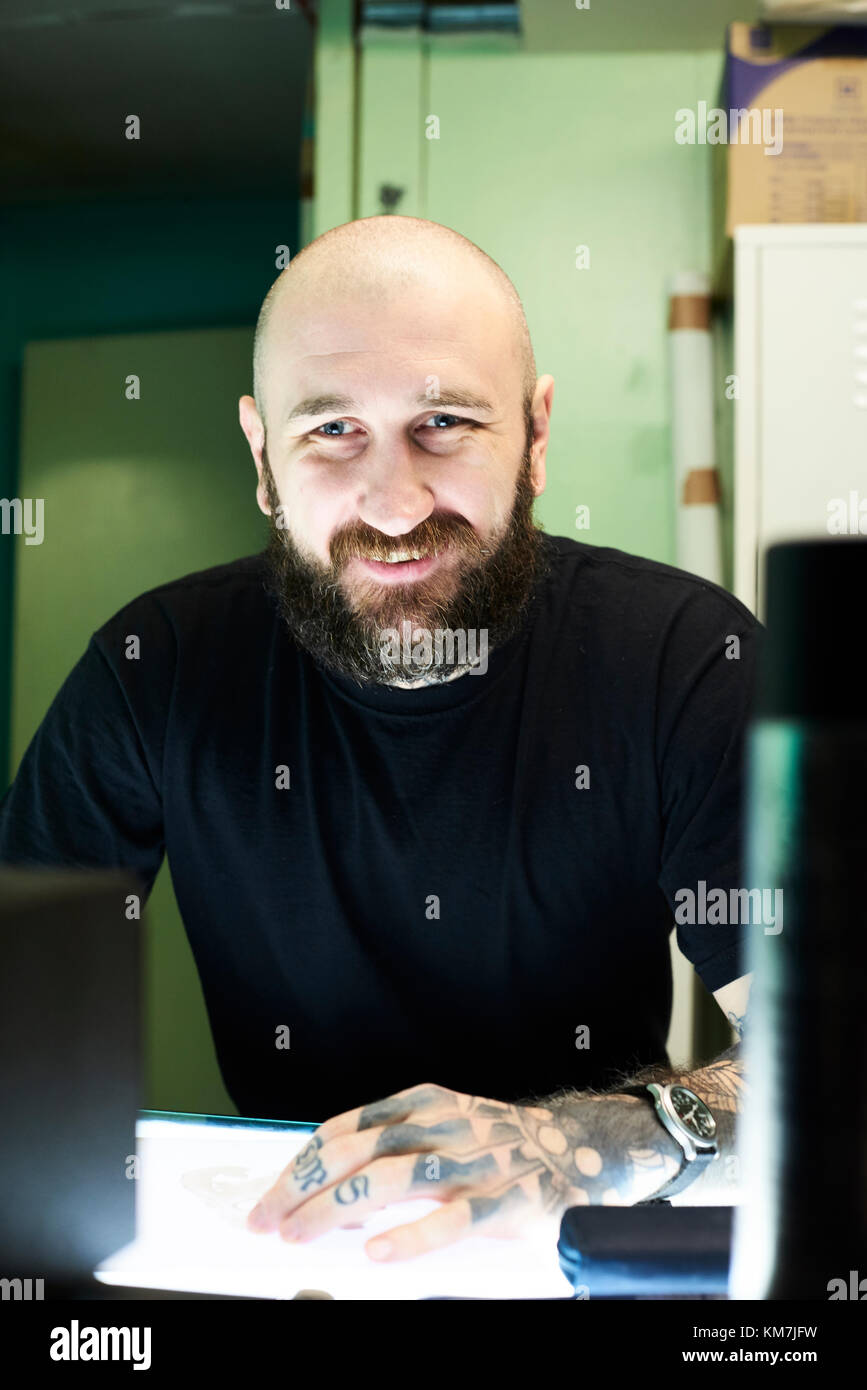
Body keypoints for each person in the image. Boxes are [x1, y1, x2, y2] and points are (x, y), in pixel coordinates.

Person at [0, 216, 756, 1263]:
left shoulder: (684, 657)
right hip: (286, 1245)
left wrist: (582, 1140)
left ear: (537, 437)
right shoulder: (152, 669)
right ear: (263, 455)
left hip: (590, 1239)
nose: (395, 504)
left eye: (444, 421)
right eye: (331, 430)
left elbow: (837, 1056)